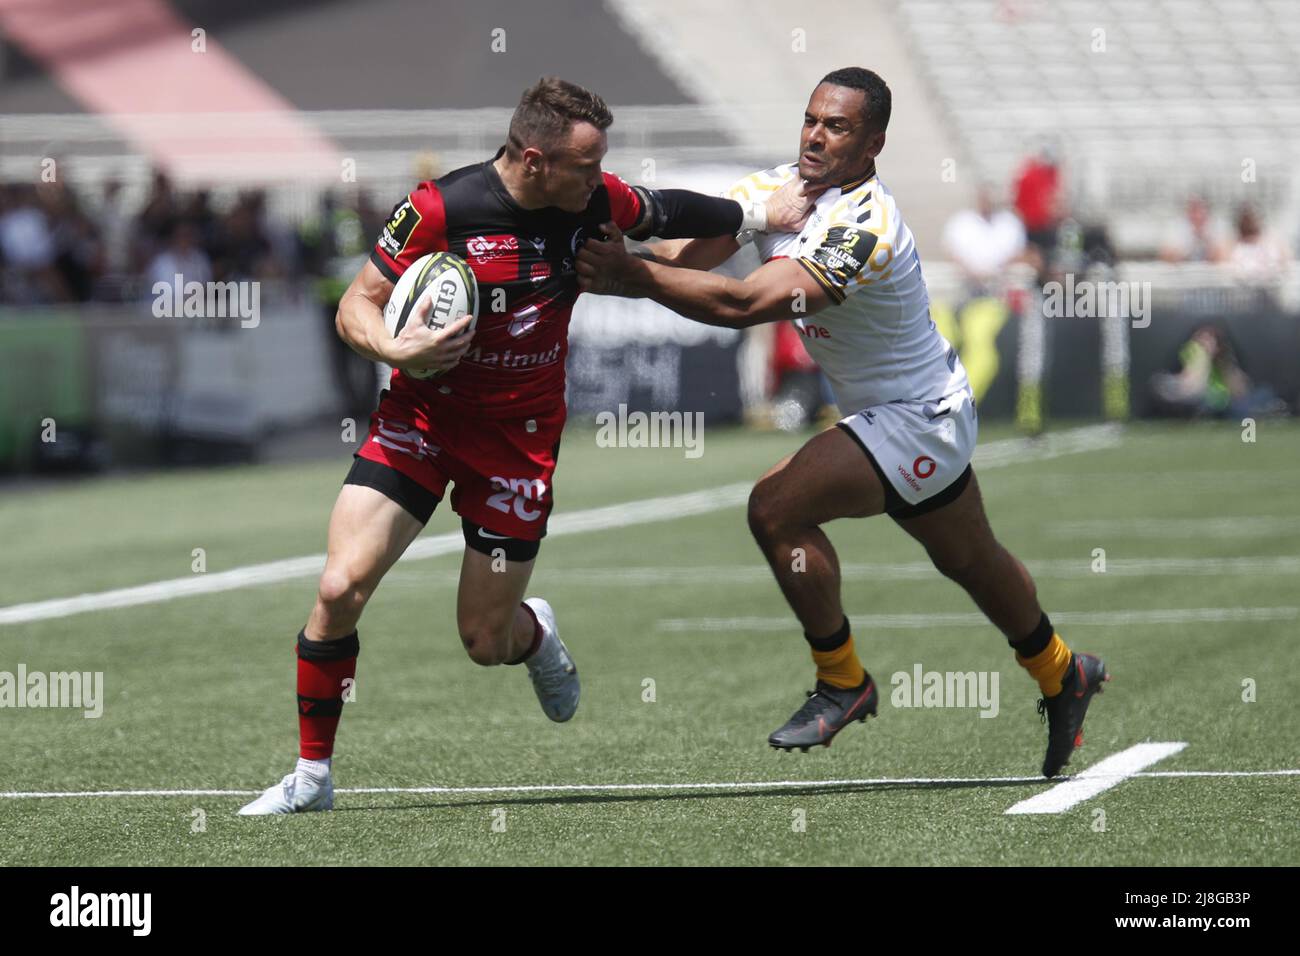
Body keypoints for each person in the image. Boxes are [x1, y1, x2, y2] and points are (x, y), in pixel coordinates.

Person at [239, 77, 816, 815]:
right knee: (337, 588)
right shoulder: (439, 207)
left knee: (485, 640)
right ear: (534, 159)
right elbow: (358, 302)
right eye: (584, 165)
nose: (598, 178)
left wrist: (759, 212)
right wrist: (394, 344)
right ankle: (311, 777)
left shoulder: (593, 200)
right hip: (420, 424)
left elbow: (669, 210)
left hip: (517, 445)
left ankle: (535, 631)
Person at [576, 68, 1110, 778]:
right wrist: (623, 252)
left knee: (775, 509)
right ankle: (1063, 671)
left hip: (917, 419)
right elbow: (682, 256)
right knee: (970, 562)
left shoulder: (868, 225)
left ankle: (843, 679)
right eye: (811, 120)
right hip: (909, 409)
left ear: (874, 144)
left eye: (837, 127)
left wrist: (630, 274)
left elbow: (743, 304)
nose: (816, 136)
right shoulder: (780, 185)